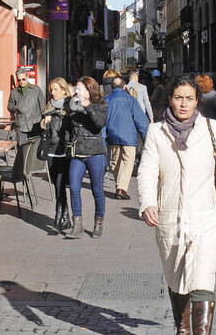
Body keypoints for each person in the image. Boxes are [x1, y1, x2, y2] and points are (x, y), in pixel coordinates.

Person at [139, 75, 216, 335]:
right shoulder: (156, 132)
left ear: (197, 101)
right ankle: (182, 330)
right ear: (170, 100)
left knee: (202, 280)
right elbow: (147, 171)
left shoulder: (212, 130)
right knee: (177, 282)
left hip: (206, 218)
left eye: (189, 98)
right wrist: (148, 202)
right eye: (178, 98)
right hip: (170, 217)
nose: (183, 103)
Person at [64, 77, 109, 238]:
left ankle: (98, 223)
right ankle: (77, 225)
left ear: (89, 91)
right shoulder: (73, 105)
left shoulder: (100, 106)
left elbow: (99, 123)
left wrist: (88, 106)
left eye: (80, 89)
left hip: (95, 153)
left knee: (97, 190)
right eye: (76, 88)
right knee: (74, 188)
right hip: (77, 153)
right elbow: (68, 127)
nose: (77, 91)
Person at [105, 75, 149, 201]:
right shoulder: (131, 100)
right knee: (128, 162)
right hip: (129, 136)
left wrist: (103, 137)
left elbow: (103, 121)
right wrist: (146, 136)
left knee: (115, 162)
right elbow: (141, 121)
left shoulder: (107, 100)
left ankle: (119, 186)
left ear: (112, 87)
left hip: (113, 136)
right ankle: (121, 188)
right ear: (124, 86)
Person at [40, 77, 74, 234]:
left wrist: (58, 117)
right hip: (50, 150)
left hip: (64, 150)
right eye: (51, 90)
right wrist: (44, 122)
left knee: (61, 184)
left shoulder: (70, 105)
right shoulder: (49, 106)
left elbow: (73, 126)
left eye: (55, 89)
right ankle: (65, 216)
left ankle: (58, 216)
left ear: (64, 90)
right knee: (56, 184)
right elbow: (43, 128)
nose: (53, 93)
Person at [7, 68, 44, 147]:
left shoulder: (36, 90)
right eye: (19, 80)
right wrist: (16, 108)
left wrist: (44, 122)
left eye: (23, 79)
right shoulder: (14, 92)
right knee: (22, 151)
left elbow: (43, 106)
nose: (21, 82)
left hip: (35, 125)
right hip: (21, 125)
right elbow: (10, 106)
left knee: (34, 151)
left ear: (27, 77)